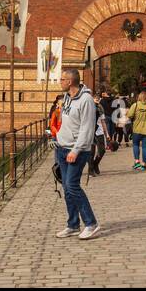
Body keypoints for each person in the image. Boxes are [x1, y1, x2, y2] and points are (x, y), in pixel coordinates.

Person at [53, 69, 101, 239]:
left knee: (72, 186)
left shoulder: (86, 100)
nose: (60, 81)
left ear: (70, 81)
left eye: (62, 79)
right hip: (62, 147)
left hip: (76, 150)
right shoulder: (66, 97)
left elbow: (87, 128)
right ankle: (73, 224)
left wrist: (76, 150)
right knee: (66, 188)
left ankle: (91, 223)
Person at [129, 89, 146, 171]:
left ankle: (137, 162)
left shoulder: (135, 105)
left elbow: (130, 115)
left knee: (136, 145)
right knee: (145, 146)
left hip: (137, 128)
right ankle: (144, 164)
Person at [89, 93, 108, 176]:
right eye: (95, 99)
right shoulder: (88, 107)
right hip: (90, 131)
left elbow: (103, 121)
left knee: (102, 150)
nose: (97, 100)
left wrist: (106, 133)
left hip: (99, 131)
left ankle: (95, 163)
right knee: (91, 151)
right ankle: (91, 169)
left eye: (98, 99)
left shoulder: (100, 107)